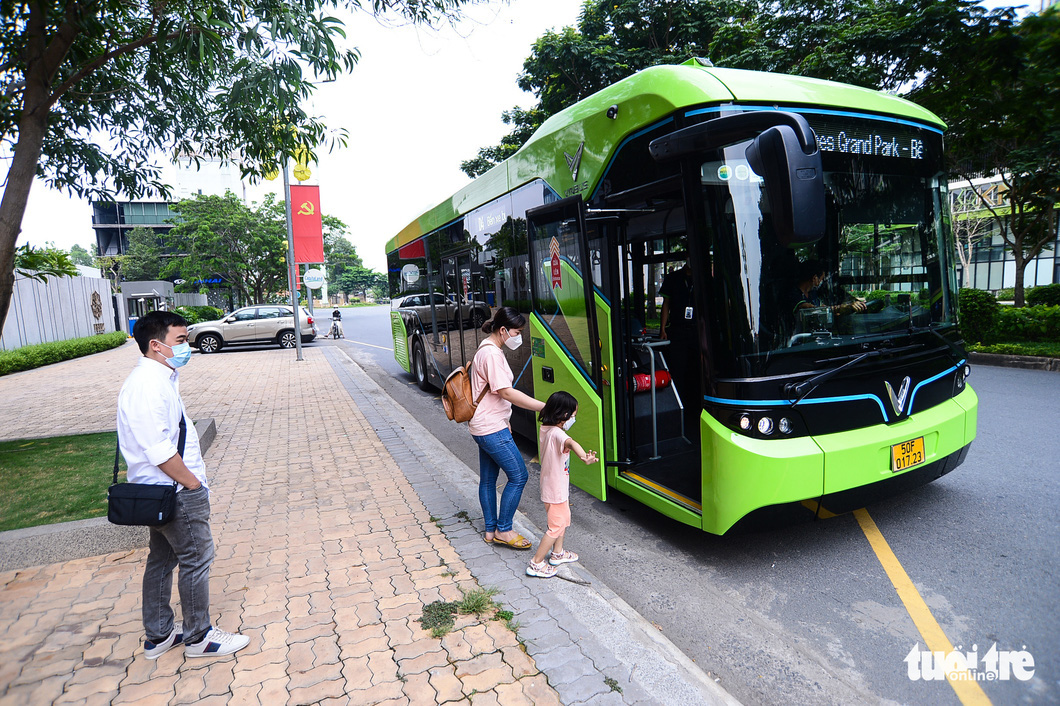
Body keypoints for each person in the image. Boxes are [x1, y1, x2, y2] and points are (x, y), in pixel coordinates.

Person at [117, 310, 249, 659]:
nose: (186, 347)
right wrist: (192, 485)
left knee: (162, 560)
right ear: (156, 345)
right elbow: (159, 449)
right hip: (174, 491)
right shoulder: (148, 385)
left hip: (162, 491)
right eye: (180, 340)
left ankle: (159, 634)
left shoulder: (158, 379)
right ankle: (199, 637)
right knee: (197, 558)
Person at [469, 307, 545, 549]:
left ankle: (490, 531)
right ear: (503, 330)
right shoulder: (492, 354)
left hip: (484, 424)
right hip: (491, 428)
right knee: (519, 476)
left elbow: (493, 394)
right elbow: (506, 392)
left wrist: (506, 419)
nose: (519, 337)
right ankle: (504, 530)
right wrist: (544, 407)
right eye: (517, 332)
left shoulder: (486, 348)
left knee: (488, 480)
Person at [526, 392, 597, 579]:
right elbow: (571, 443)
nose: (573, 419)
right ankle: (536, 563)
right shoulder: (558, 434)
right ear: (563, 415)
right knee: (556, 527)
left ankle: (557, 553)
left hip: (552, 486)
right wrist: (584, 457)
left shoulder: (546, 428)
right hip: (555, 490)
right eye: (573, 415)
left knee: (562, 520)